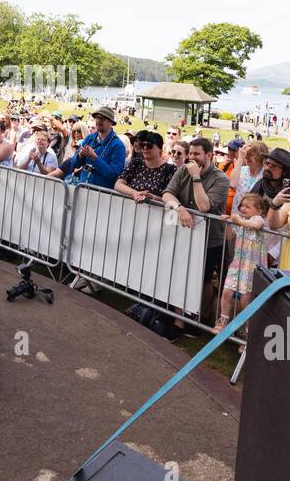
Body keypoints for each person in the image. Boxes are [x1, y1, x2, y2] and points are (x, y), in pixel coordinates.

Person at [161, 138, 231, 322]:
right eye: (190, 153)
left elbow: (203, 206)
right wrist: (180, 208)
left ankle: (197, 316)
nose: (192, 157)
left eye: (196, 154)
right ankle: (179, 316)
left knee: (204, 278)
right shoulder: (182, 170)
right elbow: (167, 193)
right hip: (184, 233)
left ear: (209, 155)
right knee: (180, 272)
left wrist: (196, 177)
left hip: (210, 238)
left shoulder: (221, 179)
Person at [218, 193, 271, 332]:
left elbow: (256, 225)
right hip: (237, 264)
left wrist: (237, 220)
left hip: (252, 268)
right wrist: (229, 223)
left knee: (246, 301)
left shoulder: (258, 219)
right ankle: (223, 322)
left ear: (259, 210)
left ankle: (248, 333)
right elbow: (230, 236)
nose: (243, 208)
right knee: (226, 292)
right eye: (242, 205)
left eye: (247, 206)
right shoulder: (241, 221)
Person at [55, 107, 125, 188]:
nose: (99, 121)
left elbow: (114, 174)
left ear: (111, 123)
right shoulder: (89, 138)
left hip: (101, 194)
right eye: (97, 118)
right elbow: (74, 164)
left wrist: (94, 158)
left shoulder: (118, 146)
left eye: (103, 119)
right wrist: (80, 155)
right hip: (82, 188)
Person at [114, 131, 175, 201]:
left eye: (149, 145)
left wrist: (152, 198)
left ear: (159, 149)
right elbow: (118, 184)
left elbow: (172, 199)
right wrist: (135, 193)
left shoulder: (170, 170)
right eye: (142, 145)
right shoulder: (136, 163)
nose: (145, 148)